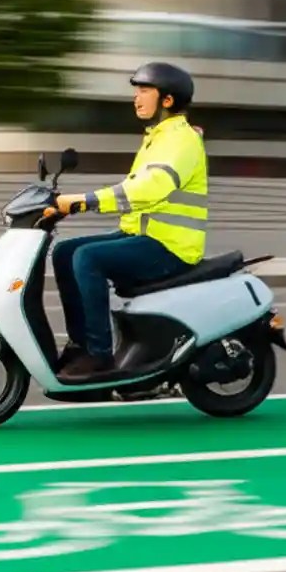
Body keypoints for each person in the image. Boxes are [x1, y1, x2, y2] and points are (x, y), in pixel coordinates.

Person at [50, 61, 209, 381]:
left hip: (171, 246)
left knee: (87, 258)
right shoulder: (157, 137)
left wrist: (84, 202)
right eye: (136, 91)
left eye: (144, 90)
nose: (136, 98)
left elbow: (150, 188)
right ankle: (81, 343)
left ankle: (99, 355)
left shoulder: (180, 140)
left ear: (167, 100)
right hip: (143, 235)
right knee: (64, 252)